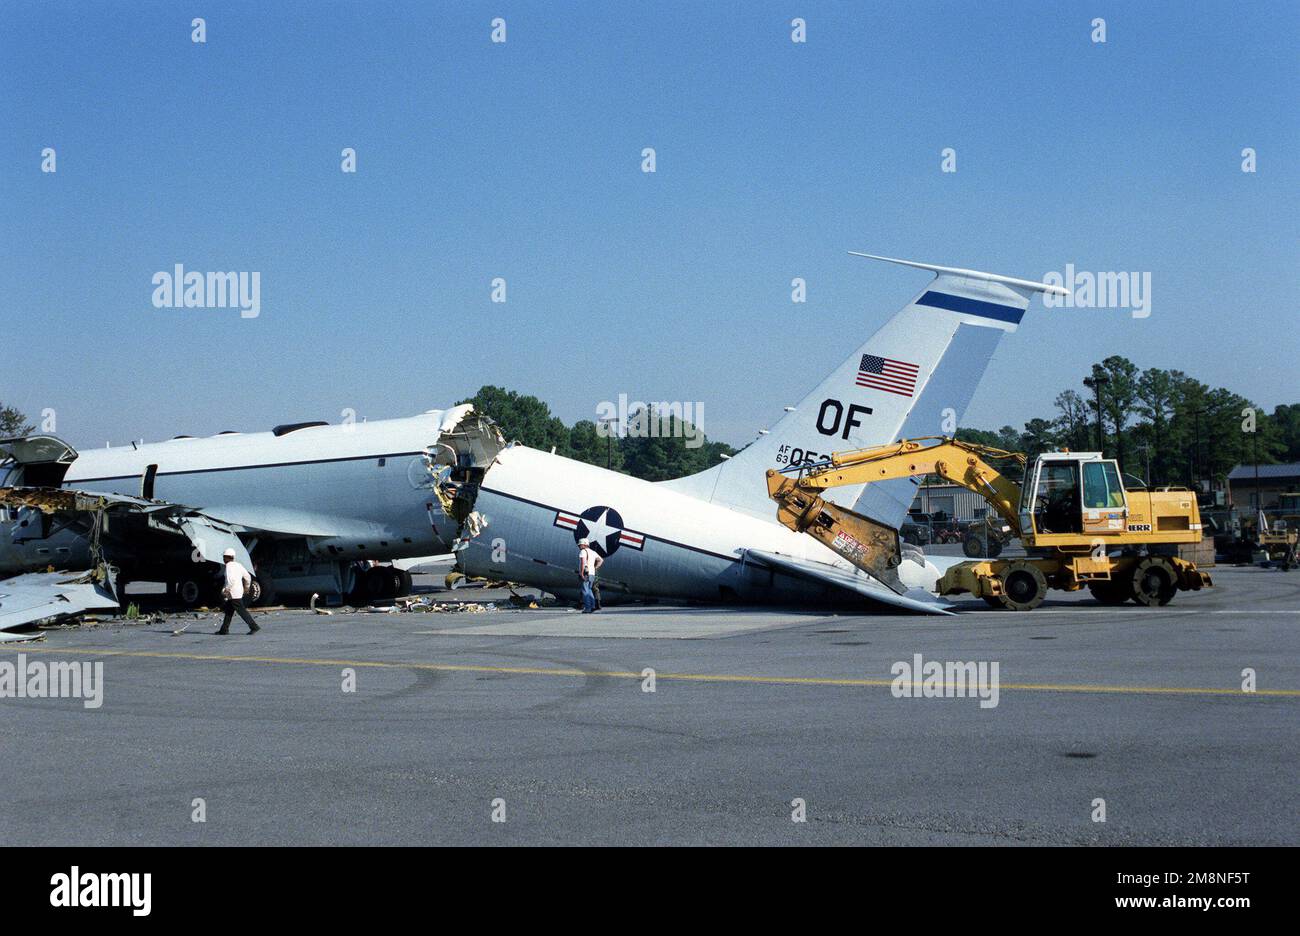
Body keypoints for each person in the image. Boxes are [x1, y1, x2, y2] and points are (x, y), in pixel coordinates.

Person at [217, 548, 260, 635]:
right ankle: (224, 629)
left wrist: (226, 590)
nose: (223, 559)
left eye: (224, 557)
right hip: (238, 591)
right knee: (229, 611)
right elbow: (247, 576)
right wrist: (247, 587)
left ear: (226, 557)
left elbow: (230, 580)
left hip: (232, 593)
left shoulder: (228, 566)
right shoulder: (238, 565)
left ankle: (254, 626)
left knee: (242, 611)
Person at [577, 538, 603, 613]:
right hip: (592, 574)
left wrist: (581, 573)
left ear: (585, 544)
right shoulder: (593, 552)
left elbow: (583, 562)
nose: (579, 546)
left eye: (580, 544)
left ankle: (587, 608)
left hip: (585, 573)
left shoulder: (583, 551)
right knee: (589, 590)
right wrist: (595, 567)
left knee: (585, 591)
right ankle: (593, 606)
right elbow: (601, 560)